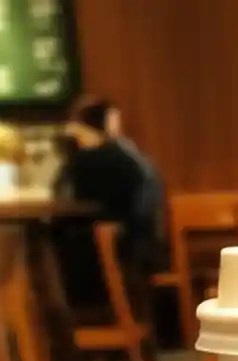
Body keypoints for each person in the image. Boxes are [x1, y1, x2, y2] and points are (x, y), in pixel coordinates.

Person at [55, 97, 160, 308]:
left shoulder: (88, 160)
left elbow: (63, 197)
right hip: (137, 248)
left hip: (100, 257)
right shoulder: (126, 156)